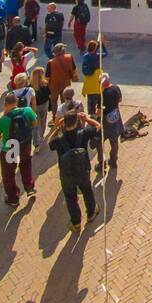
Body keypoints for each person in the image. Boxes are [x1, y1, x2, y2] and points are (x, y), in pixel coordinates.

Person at [48, 100, 99, 233]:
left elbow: (49, 143)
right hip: (83, 169)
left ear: (64, 122)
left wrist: (56, 127)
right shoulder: (83, 133)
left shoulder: (59, 139)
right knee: (87, 190)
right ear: (77, 122)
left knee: (70, 198)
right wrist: (87, 119)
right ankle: (91, 212)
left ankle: (76, 223)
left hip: (67, 174)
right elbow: (98, 127)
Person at [0, 91, 36, 208]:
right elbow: (34, 123)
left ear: (5, 104)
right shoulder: (27, 110)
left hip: (10, 147)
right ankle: (29, 187)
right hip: (25, 143)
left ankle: (13, 198)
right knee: (26, 163)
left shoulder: (2, 120)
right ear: (16, 102)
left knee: (9, 173)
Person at [98, 72, 123, 175]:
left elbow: (99, 112)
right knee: (114, 141)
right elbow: (120, 99)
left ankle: (101, 163)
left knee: (99, 141)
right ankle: (113, 160)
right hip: (116, 117)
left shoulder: (103, 94)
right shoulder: (116, 88)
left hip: (106, 121)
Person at [47, 43, 78, 118]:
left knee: (54, 102)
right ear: (62, 51)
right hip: (65, 83)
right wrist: (74, 78)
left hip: (54, 85)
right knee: (65, 101)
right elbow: (74, 69)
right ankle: (66, 116)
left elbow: (47, 77)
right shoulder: (69, 57)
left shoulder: (51, 62)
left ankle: (55, 118)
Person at [29, 66, 52, 146]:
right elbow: (49, 94)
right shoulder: (45, 84)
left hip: (34, 106)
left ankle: (36, 140)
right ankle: (41, 136)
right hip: (44, 104)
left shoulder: (30, 86)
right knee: (43, 121)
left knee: (36, 123)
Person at [80, 39, 103, 117]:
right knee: (98, 100)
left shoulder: (85, 56)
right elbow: (105, 53)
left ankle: (92, 114)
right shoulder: (97, 57)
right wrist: (101, 45)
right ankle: (99, 113)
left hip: (89, 88)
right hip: (97, 88)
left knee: (90, 101)